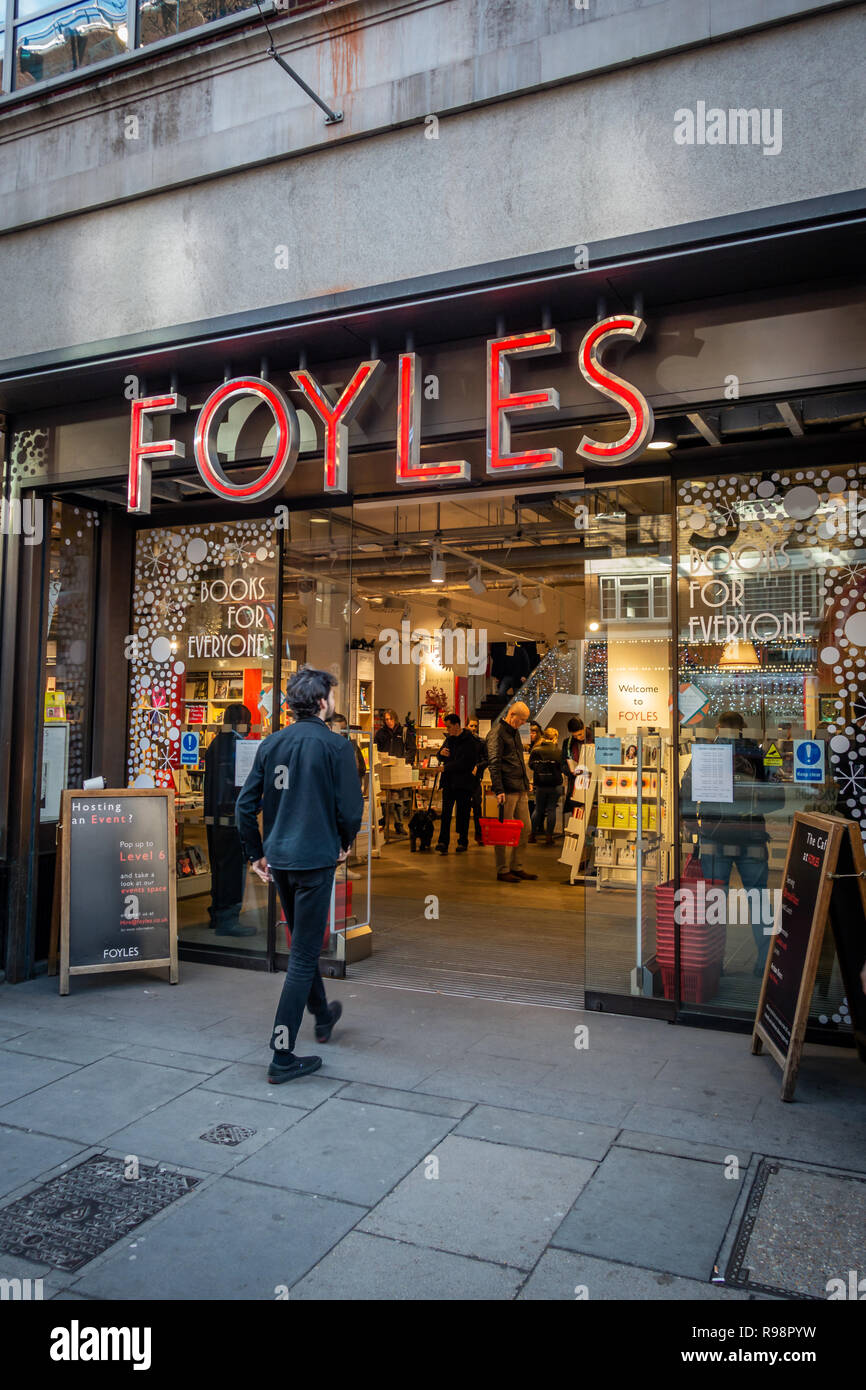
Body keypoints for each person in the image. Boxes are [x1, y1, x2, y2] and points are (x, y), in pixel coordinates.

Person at [236, 666, 364, 1083]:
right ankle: (281, 1054)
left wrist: (256, 854)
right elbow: (350, 809)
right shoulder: (337, 747)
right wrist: (344, 843)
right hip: (315, 861)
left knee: (302, 942)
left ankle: (322, 1014)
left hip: (280, 860)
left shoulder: (271, 744)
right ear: (323, 702)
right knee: (304, 953)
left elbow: (244, 806)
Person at [681, 710, 785, 978]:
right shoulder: (760, 754)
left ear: (718, 727)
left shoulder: (705, 754)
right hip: (752, 836)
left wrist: (693, 822)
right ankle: (765, 962)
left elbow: (686, 792)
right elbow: (778, 800)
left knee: (715, 903)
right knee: (759, 899)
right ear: (743, 728)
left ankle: (714, 962)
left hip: (715, 838)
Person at [204, 702, 255, 937]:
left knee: (219, 866)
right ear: (241, 723)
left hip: (214, 815)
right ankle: (228, 918)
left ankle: (217, 912)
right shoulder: (239, 746)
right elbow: (240, 784)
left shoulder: (215, 744)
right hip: (231, 816)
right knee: (234, 869)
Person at [486, 700, 537, 883]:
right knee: (503, 831)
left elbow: (518, 760)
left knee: (526, 828)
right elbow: (494, 762)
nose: (523, 723)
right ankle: (502, 869)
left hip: (520, 788)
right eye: (521, 719)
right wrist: (498, 789)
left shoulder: (514, 733)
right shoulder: (497, 733)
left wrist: (526, 782)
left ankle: (517, 866)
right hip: (506, 790)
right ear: (512, 715)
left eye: (525, 720)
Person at [435, 712, 478, 853]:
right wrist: (441, 753)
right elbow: (439, 753)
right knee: (446, 814)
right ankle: (443, 842)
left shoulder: (469, 741)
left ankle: (463, 841)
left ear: (457, 725)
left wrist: (445, 767)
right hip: (448, 782)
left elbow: (465, 763)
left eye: (449, 727)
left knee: (463, 813)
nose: (447, 730)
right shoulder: (449, 739)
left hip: (464, 783)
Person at [374, 708, 411, 834]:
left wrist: (404, 762)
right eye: (386, 719)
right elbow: (375, 750)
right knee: (383, 799)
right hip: (384, 768)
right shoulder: (380, 733)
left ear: (395, 718)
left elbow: (411, 749)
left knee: (398, 798)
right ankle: (382, 823)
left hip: (399, 769)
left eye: (390, 719)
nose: (388, 721)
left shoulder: (403, 731)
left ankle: (399, 824)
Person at [529, 725, 564, 844]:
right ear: (555, 738)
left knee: (538, 809)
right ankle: (549, 837)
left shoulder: (535, 751)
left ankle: (532, 835)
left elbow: (531, 765)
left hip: (540, 784)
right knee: (551, 810)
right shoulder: (558, 752)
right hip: (554, 785)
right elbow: (562, 768)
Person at [466, 716, 488, 845]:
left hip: (475, 780)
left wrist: (477, 767)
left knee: (477, 807)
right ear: (466, 726)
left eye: (475, 726)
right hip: (462, 779)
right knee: (464, 808)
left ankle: (479, 835)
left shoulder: (481, 742)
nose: (473, 728)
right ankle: (463, 837)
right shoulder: (460, 741)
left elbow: (487, 760)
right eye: (471, 726)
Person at [561, 716, 586, 814]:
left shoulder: (594, 739)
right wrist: (571, 771)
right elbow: (563, 763)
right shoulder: (568, 742)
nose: (578, 737)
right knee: (575, 811)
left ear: (584, 727)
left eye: (580, 734)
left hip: (591, 782)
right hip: (575, 783)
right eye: (575, 736)